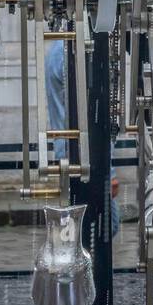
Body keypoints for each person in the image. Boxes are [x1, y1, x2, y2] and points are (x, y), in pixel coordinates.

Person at [45, 39, 119, 234]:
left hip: (71, 156)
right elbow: (91, 115)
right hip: (85, 158)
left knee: (87, 227)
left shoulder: (57, 51)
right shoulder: (76, 53)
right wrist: (109, 173)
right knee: (105, 227)